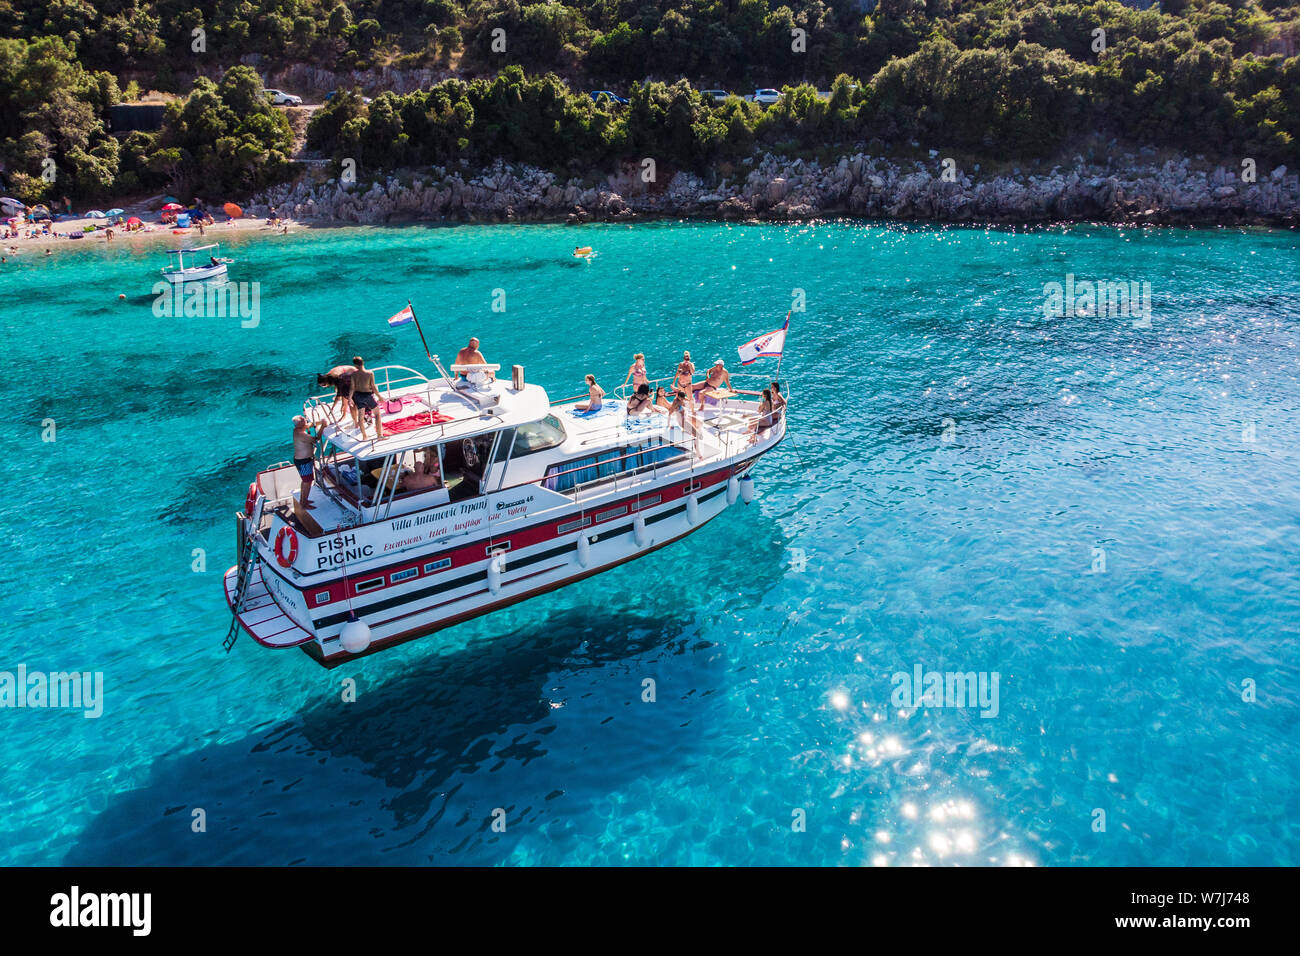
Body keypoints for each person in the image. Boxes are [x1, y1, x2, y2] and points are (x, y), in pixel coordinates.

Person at [350, 355, 385, 439]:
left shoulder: (353, 375)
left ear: (355, 365)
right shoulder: (369, 373)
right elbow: (373, 387)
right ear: (363, 363)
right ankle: (379, 435)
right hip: (367, 395)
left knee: (361, 417)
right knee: (377, 414)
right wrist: (379, 396)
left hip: (358, 396)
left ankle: (364, 436)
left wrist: (350, 398)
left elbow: (352, 387)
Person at [292, 416, 321, 508]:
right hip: (303, 462)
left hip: (304, 460)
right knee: (307, 482)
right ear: (300, 423)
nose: (306, 421)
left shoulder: (297, 429)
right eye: (304, 420)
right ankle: (304, 503)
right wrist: (323, 426)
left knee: (305, 481)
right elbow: (316, 439)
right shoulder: (301, 434)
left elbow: (308, 425)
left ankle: (303, 500)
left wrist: (320, 422)